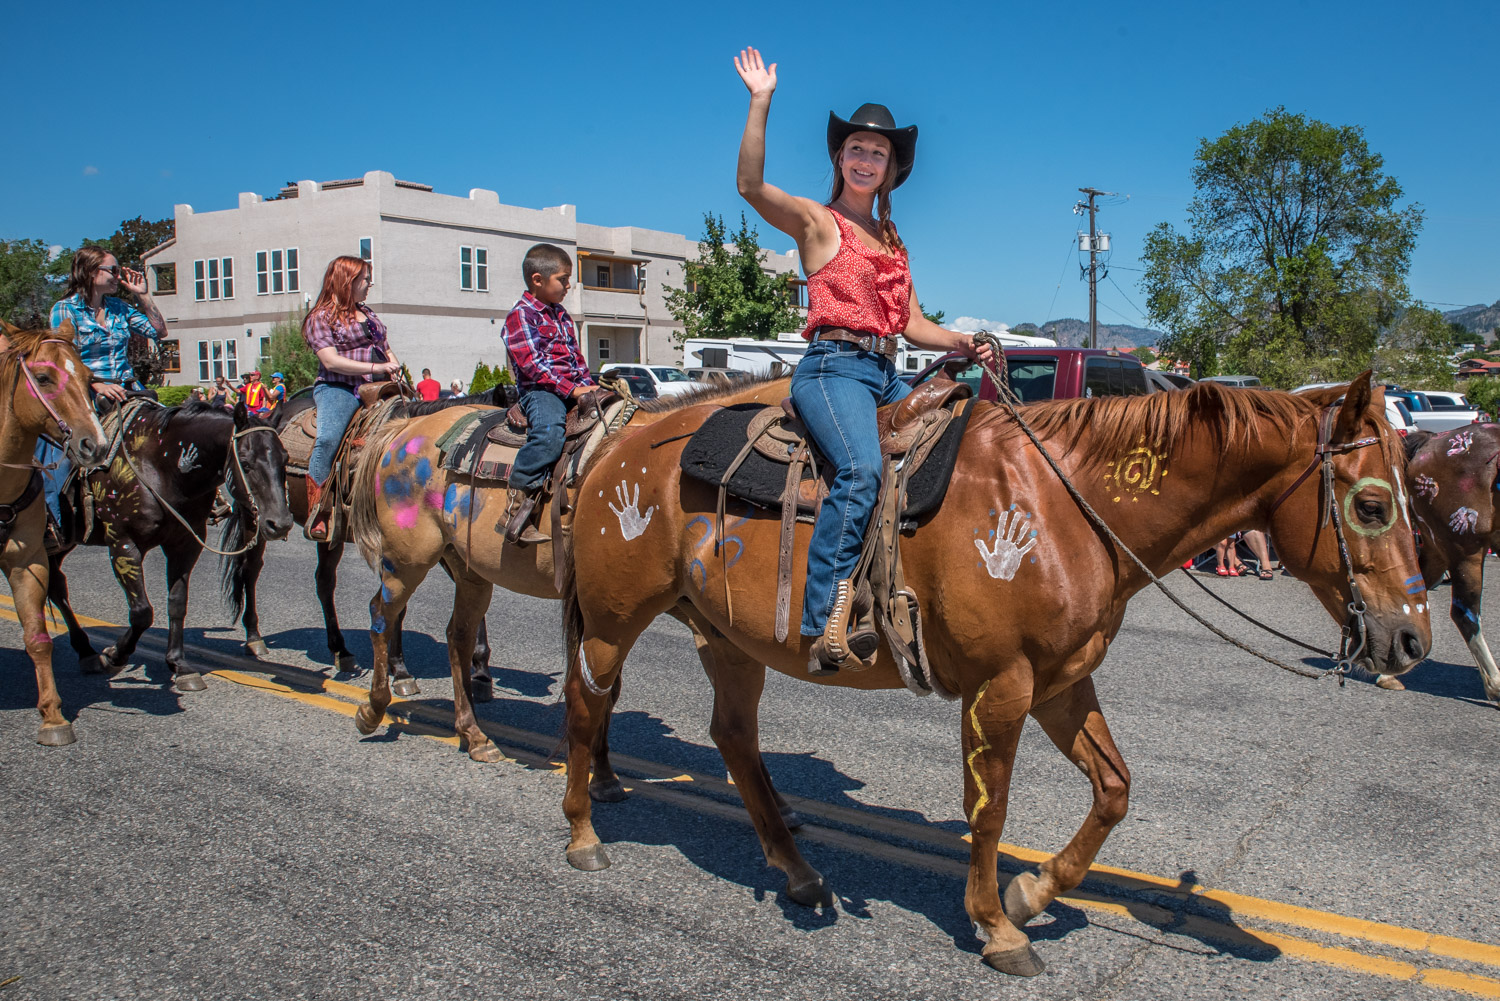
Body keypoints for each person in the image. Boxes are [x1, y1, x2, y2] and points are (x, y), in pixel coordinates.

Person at [733, 47, 993, 674]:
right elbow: (750, 187)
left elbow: (911, 324)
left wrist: (961, 342)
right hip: (833, 369)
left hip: (885, 372)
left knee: (961, 441)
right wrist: (761, 101)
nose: (866, 159)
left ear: (891, 169)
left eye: (878, 152)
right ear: (840, 158)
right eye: (856, 148)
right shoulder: (817, 222)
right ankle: (826, 614)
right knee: (859, 470)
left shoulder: (893, 241)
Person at [39, 246, 169, 539]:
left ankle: (206, 501)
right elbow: (62, 359)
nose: (118, 276)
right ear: (89, 272)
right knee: (59, 453)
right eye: (113, 270)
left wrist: (143, 296)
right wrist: (96, 383)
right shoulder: (65, 310)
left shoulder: (119, 307)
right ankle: (52, 520)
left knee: (171, 430)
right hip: (84, 392)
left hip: (129, 389)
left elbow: (159, 332)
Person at [300, 256, 401, 541]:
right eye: (365, 279)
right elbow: (330, 361)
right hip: (339, 387)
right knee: (328, 439)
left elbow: (386, 348)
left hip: (379, 387)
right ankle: (319, 509)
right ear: (347, 281)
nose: (370, 284)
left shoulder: (368, 314)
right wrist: (375, 368)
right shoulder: (320, 317)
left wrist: (395, 368)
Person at [500, 242, 594, 544]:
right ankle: (516, 508)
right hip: (540, 392)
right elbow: (532, 365)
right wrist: (573, 389)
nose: (568, 286)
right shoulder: (521, 315)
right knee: (549, 435)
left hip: (570, 388)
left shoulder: (562, 315)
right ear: (538, 280)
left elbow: (576, 358)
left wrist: (589, 386)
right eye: (563, 280)